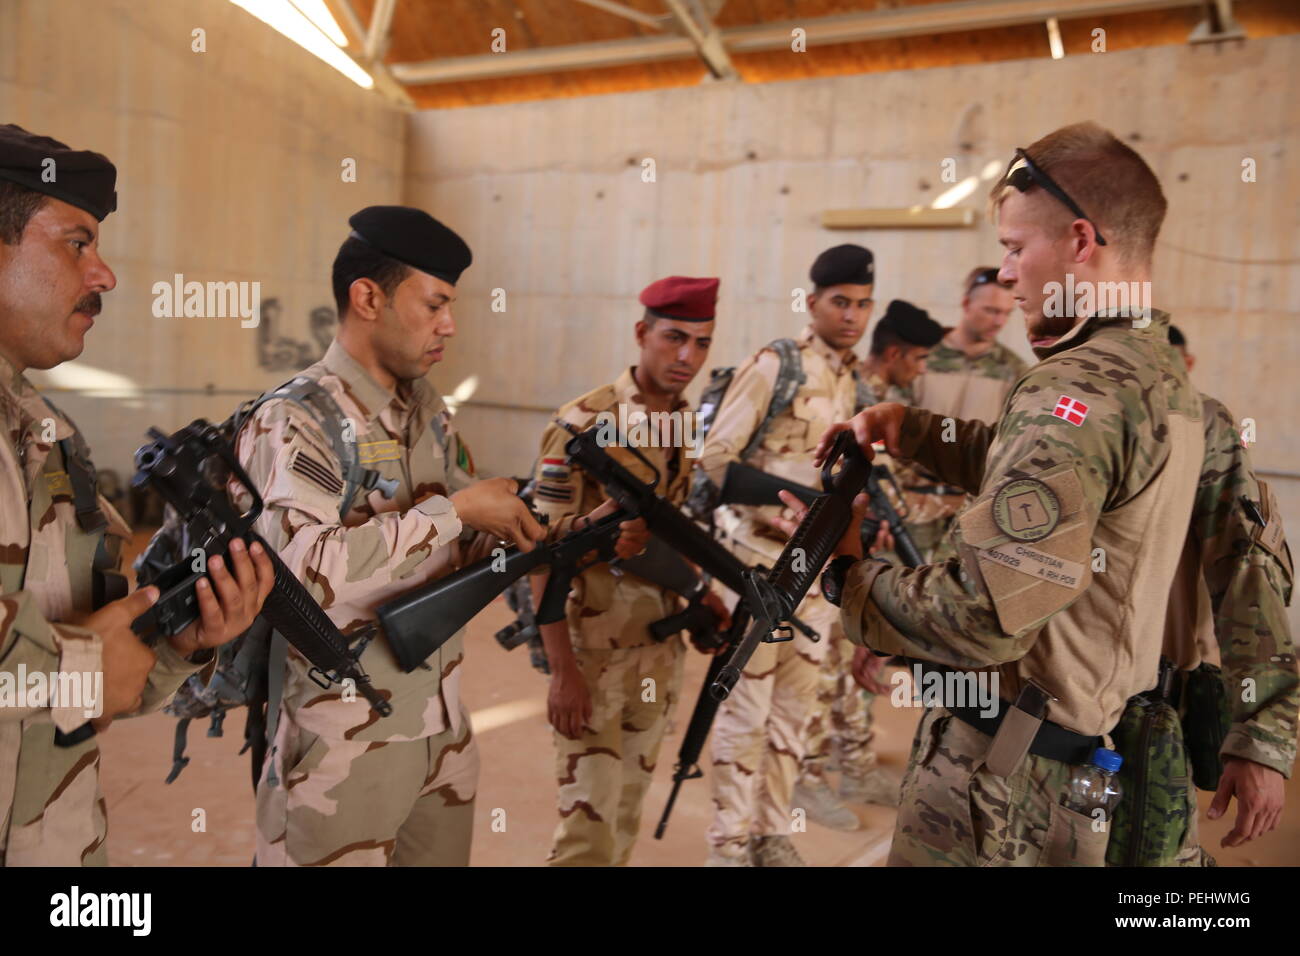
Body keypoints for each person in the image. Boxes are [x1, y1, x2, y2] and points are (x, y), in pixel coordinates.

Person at [816, 122, 1207, 866]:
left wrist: (848, 576)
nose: (1004, 275)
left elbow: (982, 620)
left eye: (1014, 248)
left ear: (1080, 242)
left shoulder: (1076, 387)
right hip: (1079, 755)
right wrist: (913, 429)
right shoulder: (1161, 379)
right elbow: (1069, 485)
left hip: (996, 787)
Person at [235, 205, 564, 866]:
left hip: (441, 729)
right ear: (367, 297)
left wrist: (536, 524)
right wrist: (458, 514)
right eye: (435, 304)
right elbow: (299, 570)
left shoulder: (428, 412)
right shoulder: (297, 418)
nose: (450, 325)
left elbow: (461, 546)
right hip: (343, 743)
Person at [0, 124, 273, 865]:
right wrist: (82, 667)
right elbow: (79, 667)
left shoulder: (46, 435)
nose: (105, 275)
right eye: (75, 244)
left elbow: (106, 655)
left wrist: (180, 637)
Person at [695, 244, 890, 865]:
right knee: (745, 714)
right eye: (840, 302)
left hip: (815, 575)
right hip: (756, 565)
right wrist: (787, 505)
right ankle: (727, 848)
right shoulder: (776, 365)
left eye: (862, 304)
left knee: (794, 713)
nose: (852, 314)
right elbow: (715, 461)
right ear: (813, 303)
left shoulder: (858, 382)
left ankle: (771, 834)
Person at [531, 275, 726, 866]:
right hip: (593, 654)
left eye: (702, 343)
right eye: (674, 339)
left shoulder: (685, 421)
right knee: (585, 836)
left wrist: (703, 593)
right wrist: (561, 668)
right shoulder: (581, 424)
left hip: (659, 652)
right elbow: (540, 553)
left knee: (622, 819)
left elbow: (673, 529)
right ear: (642, 333)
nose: (687, 357)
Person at [792, 298, 944, 829]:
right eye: (919, 358)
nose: (921, 369)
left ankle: (852, 760)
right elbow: (886, 493)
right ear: (897, 352)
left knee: (855, 662)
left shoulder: (880, 394)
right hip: (832, 544)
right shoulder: (865, 397)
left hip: (864, 539)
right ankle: (806, 775)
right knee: (824, 667)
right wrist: (948, 506)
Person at [904, 268, 1028, 560]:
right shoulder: (921, 356)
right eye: (990, 310)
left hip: (969, 509)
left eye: (1006, 313)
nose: (999, 321)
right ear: (965, 305)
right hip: (909, 506)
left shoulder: (1014, 371)